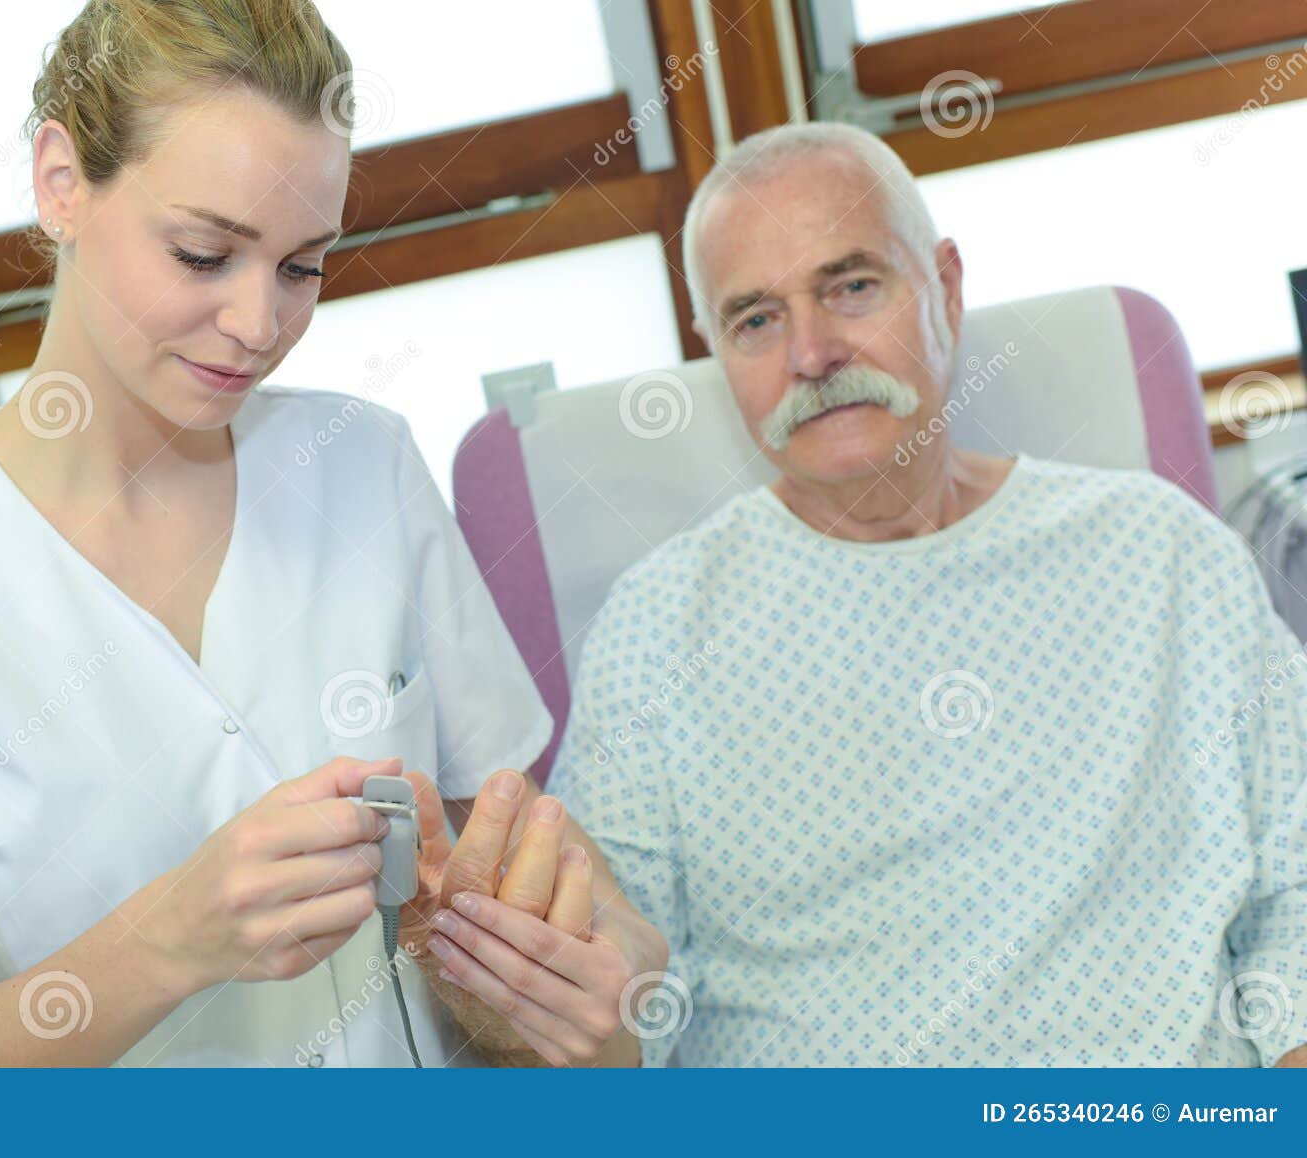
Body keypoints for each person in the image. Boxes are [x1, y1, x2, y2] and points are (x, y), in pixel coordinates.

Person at [0, 0, 662, 1068]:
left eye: (301, 266)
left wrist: (612, 974)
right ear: (60, 183)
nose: (257, 324)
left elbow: (536, 863)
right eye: (201, 253)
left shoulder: (362, 465)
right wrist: (174, 937)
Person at [547, 121, 1307, 1067]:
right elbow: (614, 999)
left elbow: (1298, 888)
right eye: (756, 320)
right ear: (716, 351)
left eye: (851, 286)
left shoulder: (1162, 555)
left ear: (945, 285)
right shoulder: (660, 631)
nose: (812, 353)